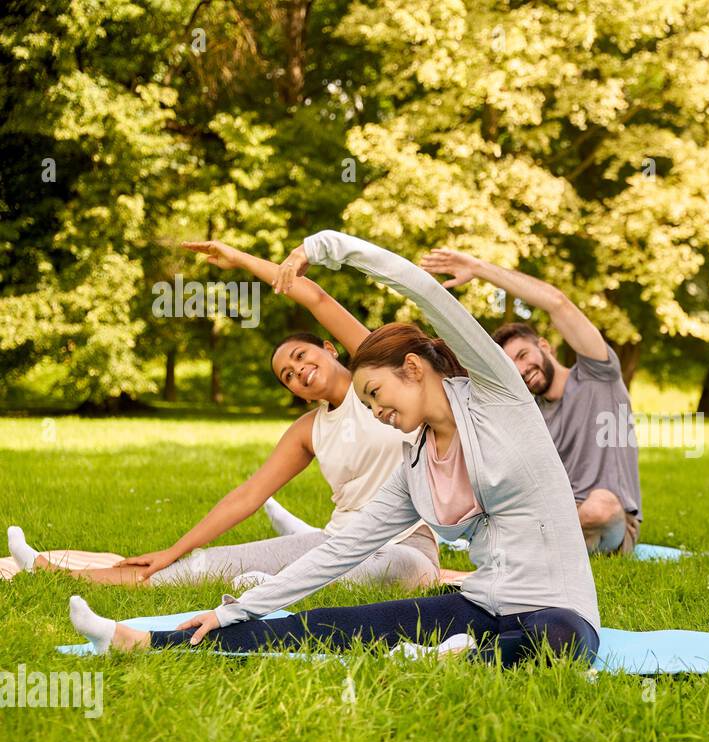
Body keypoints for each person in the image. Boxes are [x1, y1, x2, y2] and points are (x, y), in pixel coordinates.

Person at [69, 230, 600, 667]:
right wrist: (236, 610)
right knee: (337, 626)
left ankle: (455, 658)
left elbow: (423, 291)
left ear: (412, 369)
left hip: (560, 610)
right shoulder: (414, 462)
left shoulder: (498, 394)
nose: (373, 411)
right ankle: (142, 641)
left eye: (375, 395)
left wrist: (324, 247)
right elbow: (337, 553)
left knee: (559, 641)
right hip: (485, 604)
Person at [6, 240, 461, 590]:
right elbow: (247, 496)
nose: (299, 371)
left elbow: (315, 298)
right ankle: (53, 571)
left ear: (329, 347)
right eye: (287, 375)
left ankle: (278, 585)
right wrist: (174, 549)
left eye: (302, 356)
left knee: (385, 568)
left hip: (404, 548)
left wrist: (238, 258)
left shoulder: (379, 377)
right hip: (337, 541)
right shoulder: (309, 430)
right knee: (211, 565)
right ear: (295, 394)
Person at [417, 248, 642, 555]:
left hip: (609, 526)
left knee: (600, 506)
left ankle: (528, 546)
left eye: (523, 355)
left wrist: (480, 268)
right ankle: (535, 545)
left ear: (544, 346)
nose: (522, 370)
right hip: (553, 519)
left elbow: (557, 303)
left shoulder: (598, 377)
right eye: (513, 366)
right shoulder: (528, 414)